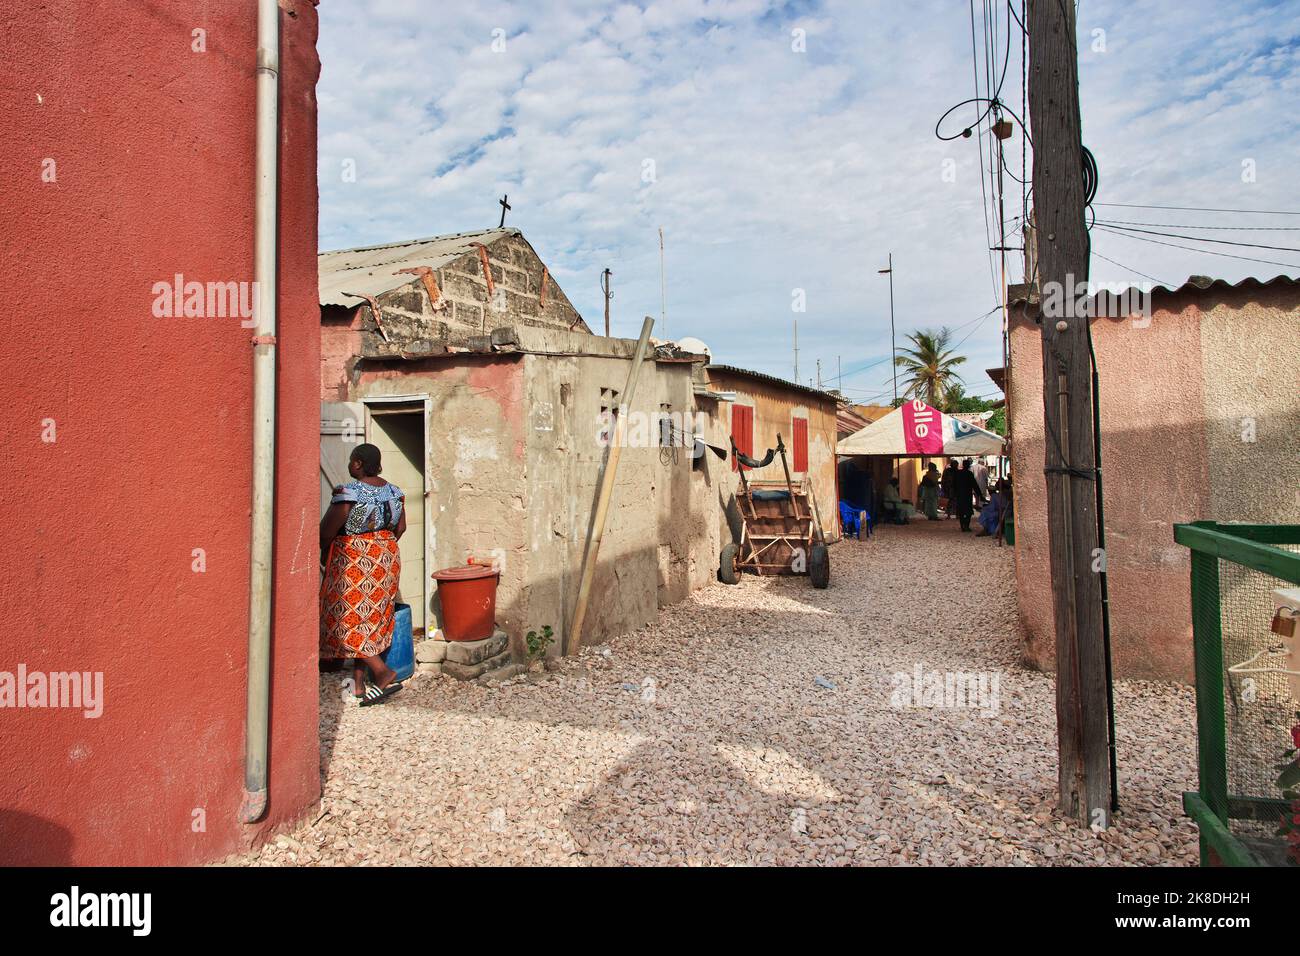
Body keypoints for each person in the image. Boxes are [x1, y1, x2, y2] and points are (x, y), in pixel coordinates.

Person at [320, 443, 408, 706]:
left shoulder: (349, 492)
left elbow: (326, 531)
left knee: (342, 618)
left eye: (351, 461)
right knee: (367, 617)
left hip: (354, 559)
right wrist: (380, 546)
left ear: (357, 463)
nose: (349, 465)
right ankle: (358, 686)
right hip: (386, 558)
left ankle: (382, 672)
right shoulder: (394, 491)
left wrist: (327, 550)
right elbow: (400, 527)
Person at [950, 458, 986, 532]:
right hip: (967, 495)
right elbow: (974, 485)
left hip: (960, 494)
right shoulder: (969, 473)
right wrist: (980, 495)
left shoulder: (958, 473)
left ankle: (963, 526)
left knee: (961, 511)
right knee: (968, 511)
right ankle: (966, 525)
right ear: (968, 465)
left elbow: (953, 484)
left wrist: (954, 494)